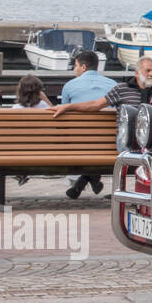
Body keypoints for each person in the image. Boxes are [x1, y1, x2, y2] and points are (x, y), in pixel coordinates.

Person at [52, 50, 117, 198]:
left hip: (78, 144)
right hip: (108, 145)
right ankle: (91, 179)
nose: (74, 69)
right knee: (97, 142)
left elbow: (63, 117)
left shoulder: (69, 86)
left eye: (75, 66)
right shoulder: (113, 85)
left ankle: (83, 182)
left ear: (83, 67)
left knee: (88, 143)